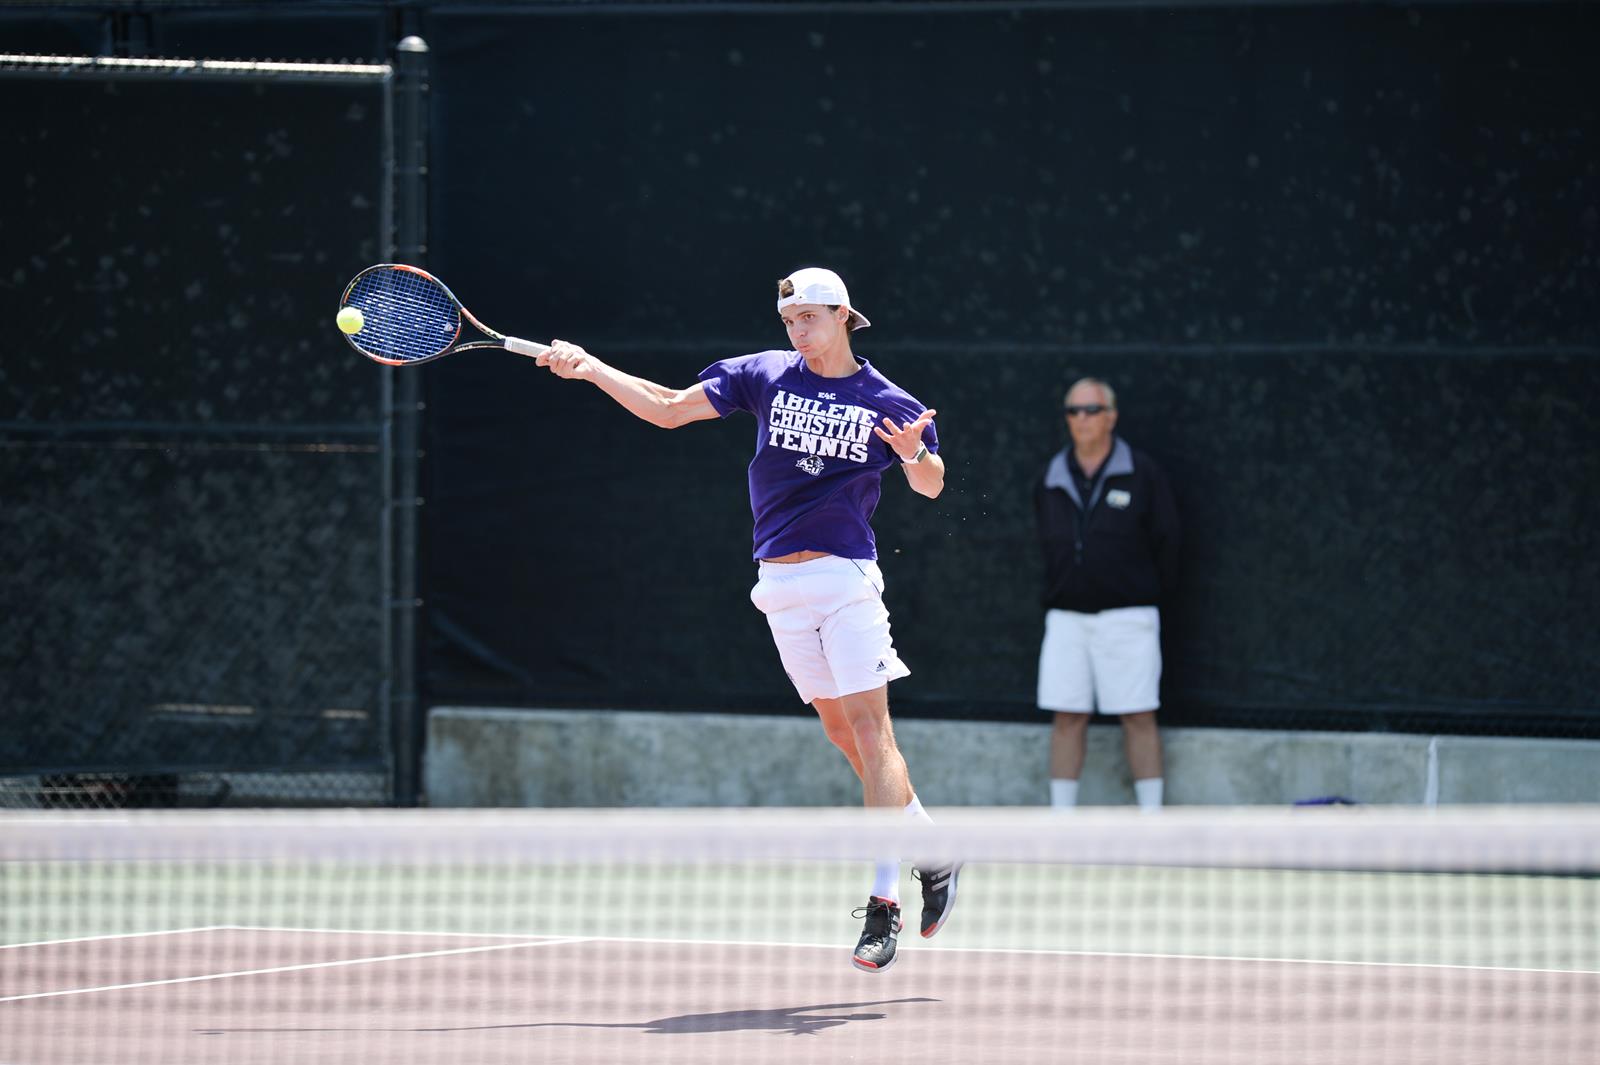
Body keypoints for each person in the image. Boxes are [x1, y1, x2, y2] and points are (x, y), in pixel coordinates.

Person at [529, 266, 959, 973]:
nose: (797, 330)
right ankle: (936, 848)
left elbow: (932, 483)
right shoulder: (763, 374)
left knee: (873, 728)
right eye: (788, 320)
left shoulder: (886, 399)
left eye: (810, 318)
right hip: (778, 584)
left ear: (845, 316)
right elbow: (668, 407)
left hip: (847, 579)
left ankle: (885, 904)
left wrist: (913, 454)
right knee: (841, 733)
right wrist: (591, 368)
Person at [1034, 377, 1180, 812]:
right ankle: (1061, 827)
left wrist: (1144, 593)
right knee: (1067, 717)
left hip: (1129, 617)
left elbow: (1169, 541)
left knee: (1138, 716)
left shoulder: (1144, 474)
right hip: (1066, 619)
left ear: (1111, 417)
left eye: (1091, 410)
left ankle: (1150, 825)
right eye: (1073, 411)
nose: (1081, 419)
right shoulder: (1050, 477)